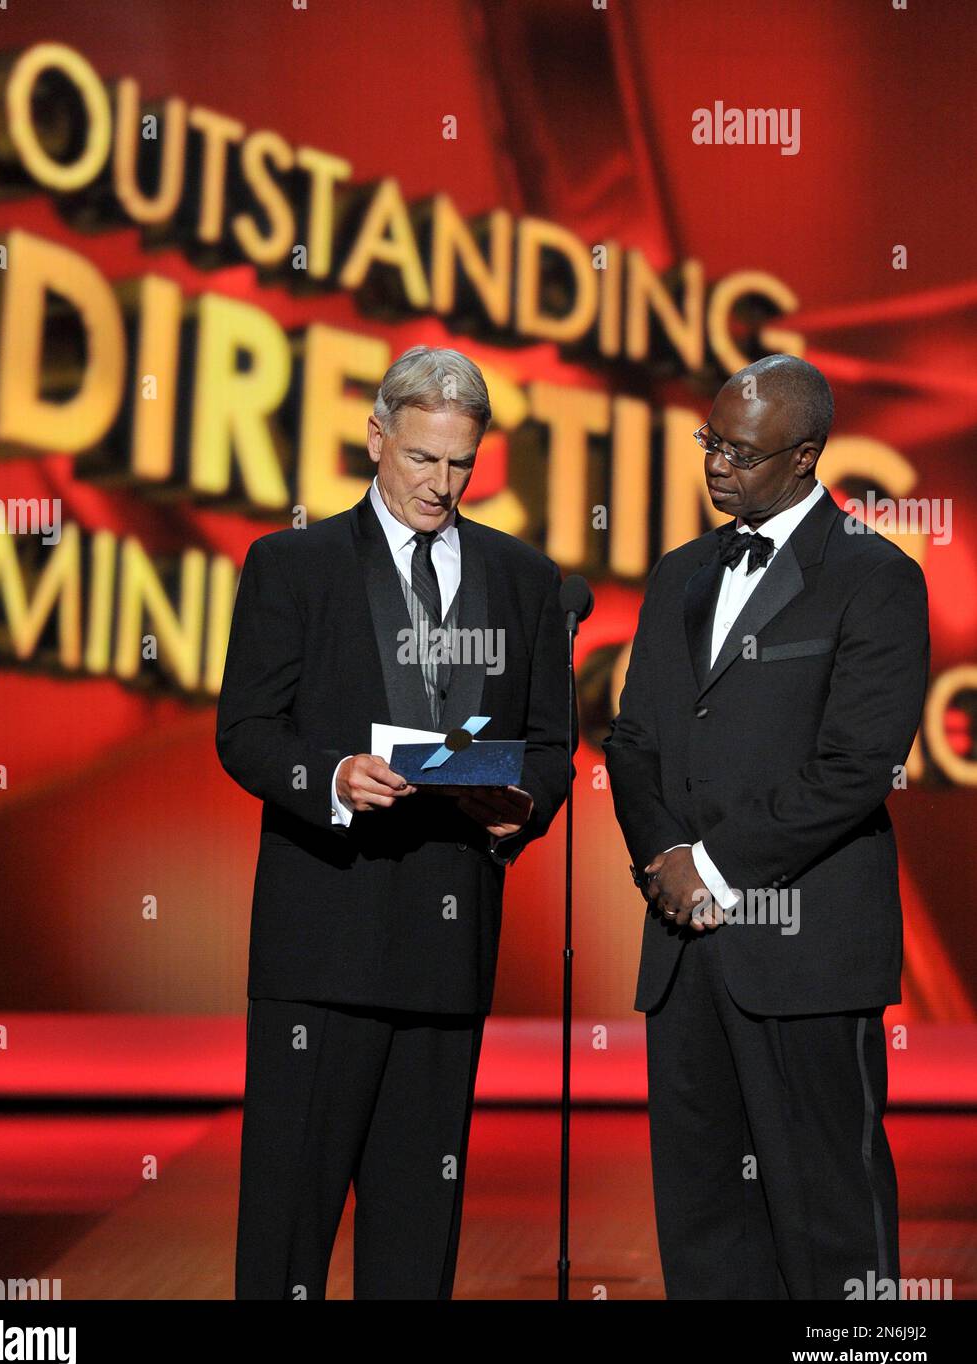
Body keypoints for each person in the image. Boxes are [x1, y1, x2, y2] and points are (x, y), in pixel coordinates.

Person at [217, 344, 576, 1299]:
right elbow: (246, 731)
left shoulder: (526, 579)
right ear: (376, 439)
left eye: (460, 463)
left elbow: (549, 748)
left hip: (444, 947)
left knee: (418, 1232)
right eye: (422, 459)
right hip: (320, 943)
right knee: (287, 1224)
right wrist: (330, 773)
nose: (440, 483)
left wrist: (520, 804)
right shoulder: (292, 565)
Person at [603, 353, 930, 1299]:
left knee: (831, 1218)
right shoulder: (676, 577)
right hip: (684, 952)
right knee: (704, 1220)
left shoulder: (873, 578)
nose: (716, 467)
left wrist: (710, 864)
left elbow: (855, 768)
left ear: (807, 458)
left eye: (741, 455)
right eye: (710, 443)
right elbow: (632, 741)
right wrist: (665, 858)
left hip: (806, 951)